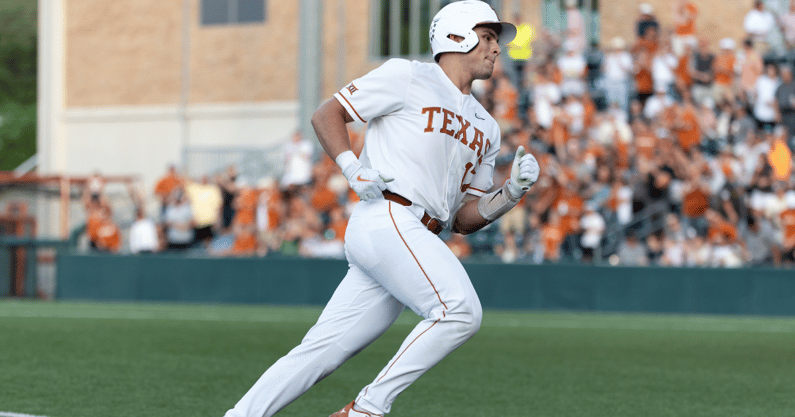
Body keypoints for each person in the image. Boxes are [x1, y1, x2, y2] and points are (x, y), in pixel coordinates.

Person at [222, 2, 538, 417]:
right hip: (387, 215)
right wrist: (351, 168)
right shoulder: (407, 75)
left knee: (320, 351)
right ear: (457, 35)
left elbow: (463, 218)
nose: (497, 49)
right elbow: (327, 114)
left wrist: (510, 192)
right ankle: (367, 409)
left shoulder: (487, 126)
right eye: (489, 37)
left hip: (415, 235)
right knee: (460, 310)